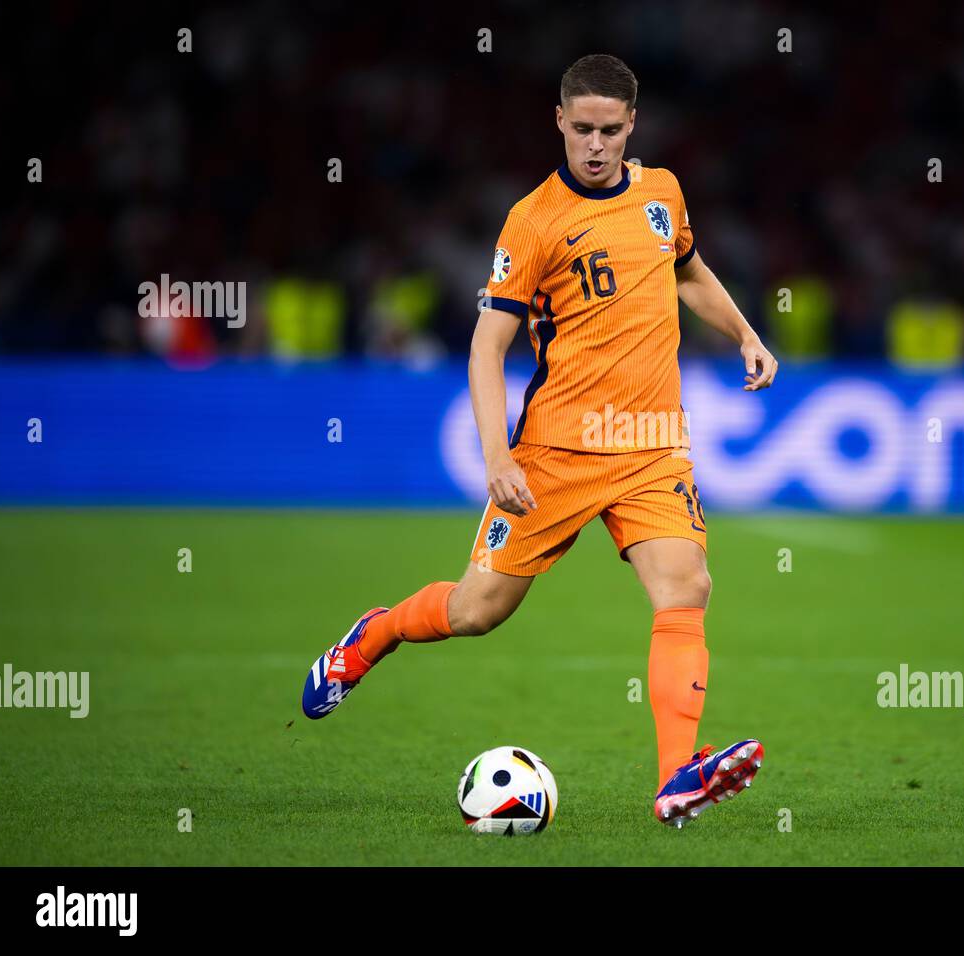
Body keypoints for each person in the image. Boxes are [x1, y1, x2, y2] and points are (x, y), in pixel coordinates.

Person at [301, 53, 779, 828]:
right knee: (476, 611)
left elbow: (687, 272)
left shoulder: (663, 194)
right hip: (555, 452)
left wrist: (746, 334)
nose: (596, 145)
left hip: (653, 445)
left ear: (633, 126)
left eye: (611, 131)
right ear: (559, 122)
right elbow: (487, 347)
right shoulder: (532, 221)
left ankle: (674, 778)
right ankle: (375, 633)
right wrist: (497, 458)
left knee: (686, 587)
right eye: (582, 129)